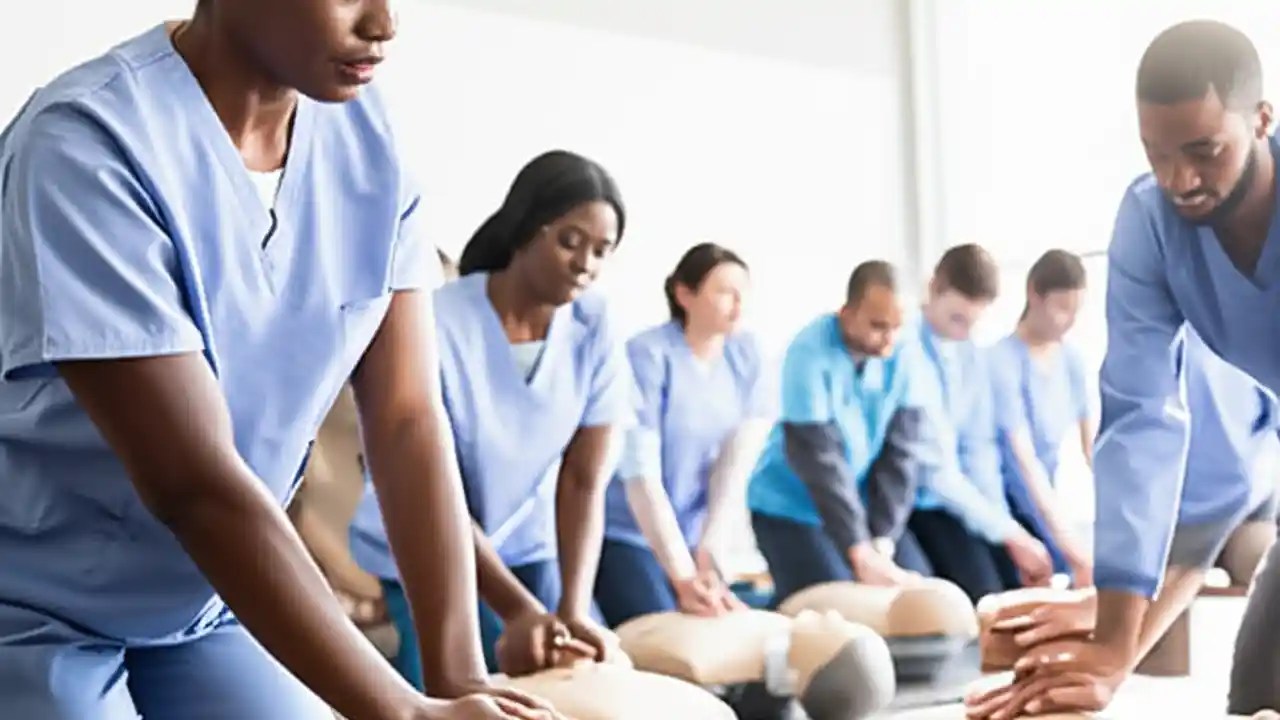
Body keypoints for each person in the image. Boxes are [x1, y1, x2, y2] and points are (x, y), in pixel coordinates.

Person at [0, 3, 554, 719]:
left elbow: (408, 419)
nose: (384, 24)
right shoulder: (86, 144)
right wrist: (404, 712)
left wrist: (457, 675)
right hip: (34, 608)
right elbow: (193, 483)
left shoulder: (370, 145)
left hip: (210, 603)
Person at [965, 19, 1280, 717]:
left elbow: (1232, 477)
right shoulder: (1149, 222)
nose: (1180, 180)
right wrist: (1114, 637)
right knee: (1257, 694)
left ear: (1262, 121)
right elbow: (1141, 421)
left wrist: (1129, 628)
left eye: (1205, 152)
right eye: (1158, 153)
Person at [350, 150, 632, 686]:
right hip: (419, 532)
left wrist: (571, 608)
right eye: (570, 240)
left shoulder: (595, 328)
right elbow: (436, 488)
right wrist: (519, 609)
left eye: (602, 250)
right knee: (452, 689)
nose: (585, 264)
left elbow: (582, 480)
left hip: (525, 541)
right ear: (526, 228)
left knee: (567, 678)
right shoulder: (438, 322)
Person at [967, 330, 1280, 718]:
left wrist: (1124, 621)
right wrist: (1119, 601)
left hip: (1248, 501)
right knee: (1256, 697)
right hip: (1214, 505)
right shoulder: (1157, 305)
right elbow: (1137, 433)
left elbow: (1233, 476)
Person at [594, 243, 771, 626]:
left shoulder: (747, 355)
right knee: (662, 625)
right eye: (725, 292)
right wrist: (680, 571)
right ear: (684, 294)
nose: (738, 304)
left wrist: (708, 553)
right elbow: (640, 476)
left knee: (718, 618)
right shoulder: (647, 355)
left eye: (744, 293)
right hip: (627, 530)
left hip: (694, 533)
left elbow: (733, 469)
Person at [747, 260, 936, 605]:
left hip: (861, 509)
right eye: (878, 326)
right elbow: (820, 459)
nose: (888, 340)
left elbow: (901, 455)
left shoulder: (904, 350)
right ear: (846, 314)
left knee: (919, 603)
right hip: (789, 508)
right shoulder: (808, 351)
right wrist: (858, 551)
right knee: (838, 610)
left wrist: (881, 541)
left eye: (897, 327)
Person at [902, 244, 1053, 604]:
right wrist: (1009, 535)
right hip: (916, 504)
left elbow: (979, 450)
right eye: (957, 319)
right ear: (934, 288)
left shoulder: (969, 353)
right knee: (983, 596)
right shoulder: (905, 348)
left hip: (962, 500)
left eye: (973, 322)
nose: (964, 331)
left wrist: (1006, 530)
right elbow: (935, 473)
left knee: (1015, 586)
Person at [987, 250, 1095, 586]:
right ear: (1034, 293)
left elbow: (1094, 449)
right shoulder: (1000, 361)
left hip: (1050, 504)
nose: (1069, 321)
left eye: (1076, 311)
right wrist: (1070, 546)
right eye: (1062, 308)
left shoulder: (1072, 360)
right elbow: (1024, 464)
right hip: (1010, 507)